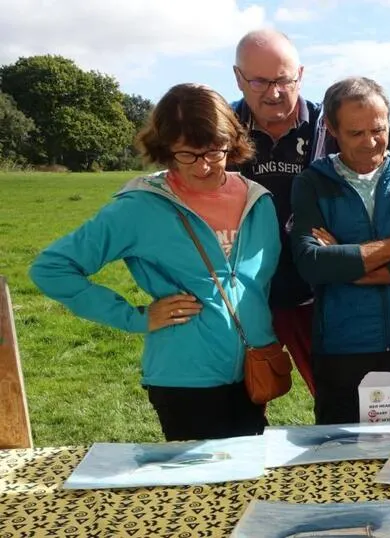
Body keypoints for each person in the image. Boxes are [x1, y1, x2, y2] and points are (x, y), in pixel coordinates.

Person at [30, 83, 280, 441]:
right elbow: (51, 268)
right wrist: (135, 317)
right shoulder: (139, 207)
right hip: (184, 379)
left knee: (250, 473)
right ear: (165, 148)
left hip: (256, 371)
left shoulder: (259, 201)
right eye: (187, 154)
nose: (204, 165)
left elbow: (258, 286)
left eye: (214, 150)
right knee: (198, 479)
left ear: (232, 140)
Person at [290, 76, 390, 425]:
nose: (370, 142)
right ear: (332, 128)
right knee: (341, 448)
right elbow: (312, 263)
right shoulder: (312, 183)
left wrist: (350, 262)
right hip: (342, 348)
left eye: (378, 130)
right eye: (355, 133)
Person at [230, 29, 336, 395]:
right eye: (259, 81)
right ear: (238, 78)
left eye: (283, 80)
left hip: (316, 294)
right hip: (241, 294)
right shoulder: (220, 129)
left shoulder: (331, 127)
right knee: (237, 401)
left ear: (300, 75)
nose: (273, 93)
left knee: (334, 396)